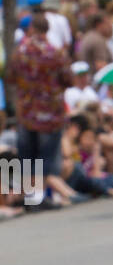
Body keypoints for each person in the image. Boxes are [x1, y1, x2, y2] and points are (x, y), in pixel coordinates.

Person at [5, 13, 73, 207]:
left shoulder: (20, 53)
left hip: (26, 111)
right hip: (50, 113)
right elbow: (68, 80)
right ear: (48, 29)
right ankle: (38, 196)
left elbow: (9, 77)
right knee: (45, 155)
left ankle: (27, 195)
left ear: (32, 29)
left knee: (27, 154)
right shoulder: (56, 53)